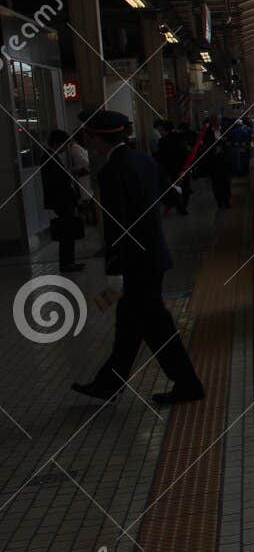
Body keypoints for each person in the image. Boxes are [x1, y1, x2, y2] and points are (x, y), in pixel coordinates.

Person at [70, 109, 204, 405]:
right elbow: (172, 195)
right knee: (129, 324)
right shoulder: (144, 160)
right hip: (153, 257)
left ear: (97, 138)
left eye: (88, 136)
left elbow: (117, 225)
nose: (87, 141)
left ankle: (188, 385)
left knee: (156, 327)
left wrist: (114, 267)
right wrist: (173, 189)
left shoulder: (111, 171)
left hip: (136, 263)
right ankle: (109, 383)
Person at [40, 130, 85, 273]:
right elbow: (57, 182)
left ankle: (69, 261)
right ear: (57, 143)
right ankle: (67, 263)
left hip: (62, 200)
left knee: (67, 232)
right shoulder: (49, 158)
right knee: (66, 232)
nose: (65, 147)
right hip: (62, 201)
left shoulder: (51, 156)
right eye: (64, 144)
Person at [154, 119, 190, 216]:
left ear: (164, 129)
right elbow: (186, 151)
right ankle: (184, 205)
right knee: (185, 187)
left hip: (171, 169)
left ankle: (180, 207)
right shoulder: (181, 137)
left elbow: (160, 157)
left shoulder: (163, 141)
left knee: (174, 188)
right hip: (184, 166)